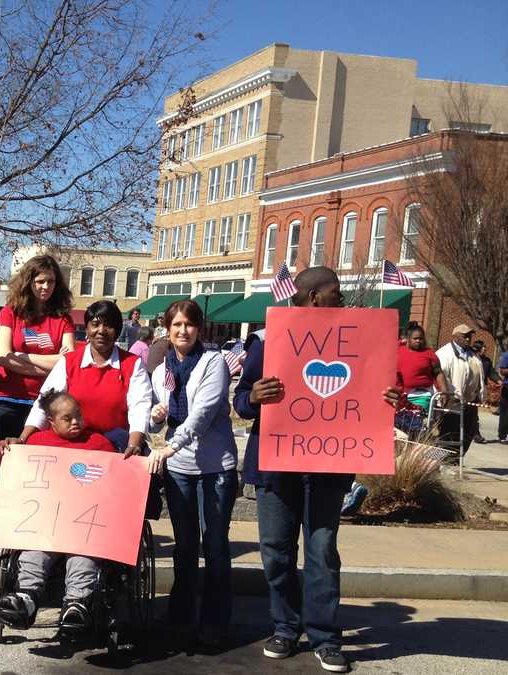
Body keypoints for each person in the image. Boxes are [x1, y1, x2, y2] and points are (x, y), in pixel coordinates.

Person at [233, 266, 401, 673]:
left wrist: (388, 399)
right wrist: (252, 395)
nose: (341, 299)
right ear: (313, 298)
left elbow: (371, 394)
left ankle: (325, 637)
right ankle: (285, 628)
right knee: (276, 552)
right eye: (336, 292)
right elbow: (240, 402)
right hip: (276, 464)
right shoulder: (266, 341)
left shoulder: (360, 341)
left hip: (328, 465)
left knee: (322, 552)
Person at [147, 300, 238, 646]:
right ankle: (180, 616)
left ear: (199, 329)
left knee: (214, 545)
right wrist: (157, 416)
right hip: (181, 470)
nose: (183, 331)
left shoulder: (214, 362)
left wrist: (169, 447)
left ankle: (215, 622)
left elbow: (202, 415)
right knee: (185, 546)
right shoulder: (161, 372)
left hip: (215, 467)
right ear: (167, 330)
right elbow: (162, 418)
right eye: (176, 325)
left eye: (189, 324)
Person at [0, 390, 119, 633]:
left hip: (85, 523)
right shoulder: (37, 443)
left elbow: (114, 483)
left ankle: (77, 605)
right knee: (33, 554)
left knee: (83, 558)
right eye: (67, 418)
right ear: (51, 422)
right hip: (45, 522)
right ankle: (26, 598)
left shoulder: (100, 443)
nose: (76, 421)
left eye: (79, 416)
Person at [18, 300, 151, 453]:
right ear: (87, 328)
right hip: (74, 446)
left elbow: (139, 408)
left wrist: (133, 445)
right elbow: (45, 402)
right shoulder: (69, 361)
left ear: (118, 330)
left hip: (116, 448)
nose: (101, 330)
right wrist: (23, 439)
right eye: (95, 324)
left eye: (108, 325)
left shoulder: (133, 364)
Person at [0, 255, 76, 440]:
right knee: (8, 461)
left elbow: (69, 361)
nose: (46, 287)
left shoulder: (63, 318)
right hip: (8, 399)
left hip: (47, 401)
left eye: (51, 281)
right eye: (40, 281)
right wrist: (49, 366)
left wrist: (21, 355)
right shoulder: (10, 312)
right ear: (28, 282)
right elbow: (2, 356)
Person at [435, 324, 484, 456]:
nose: (468, 339)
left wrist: (480, 393)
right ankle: (440, 461)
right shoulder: (444, 354)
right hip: (451, 401)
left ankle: (455, 460)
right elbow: (439, 376)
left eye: (470, 336)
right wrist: (445, 395)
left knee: (470, 430)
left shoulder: (473, 354)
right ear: (455, 336)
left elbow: (479, 376)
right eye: (464, 336)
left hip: (470, 401)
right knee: (448, 433)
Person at [395, 325, 447, 435]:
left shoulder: (429, 354)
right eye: (415, 338)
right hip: (401, 395)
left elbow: (438, 373)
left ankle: (420, 435)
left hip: (422, 394)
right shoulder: (398, 350)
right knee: (400, 425)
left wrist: (444, 391)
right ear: (408, 339)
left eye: (421, 338)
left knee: (415, 423)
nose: (418, 341)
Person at [472, 340, 499, 444]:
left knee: (473, 414)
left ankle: (476, 434)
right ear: (478, 349)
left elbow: (491, 372)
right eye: (484, 347)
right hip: (468, 390)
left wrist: (498, 380)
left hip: (478, 391)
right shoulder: (470, 358)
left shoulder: (486, 361)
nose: (485, 349)